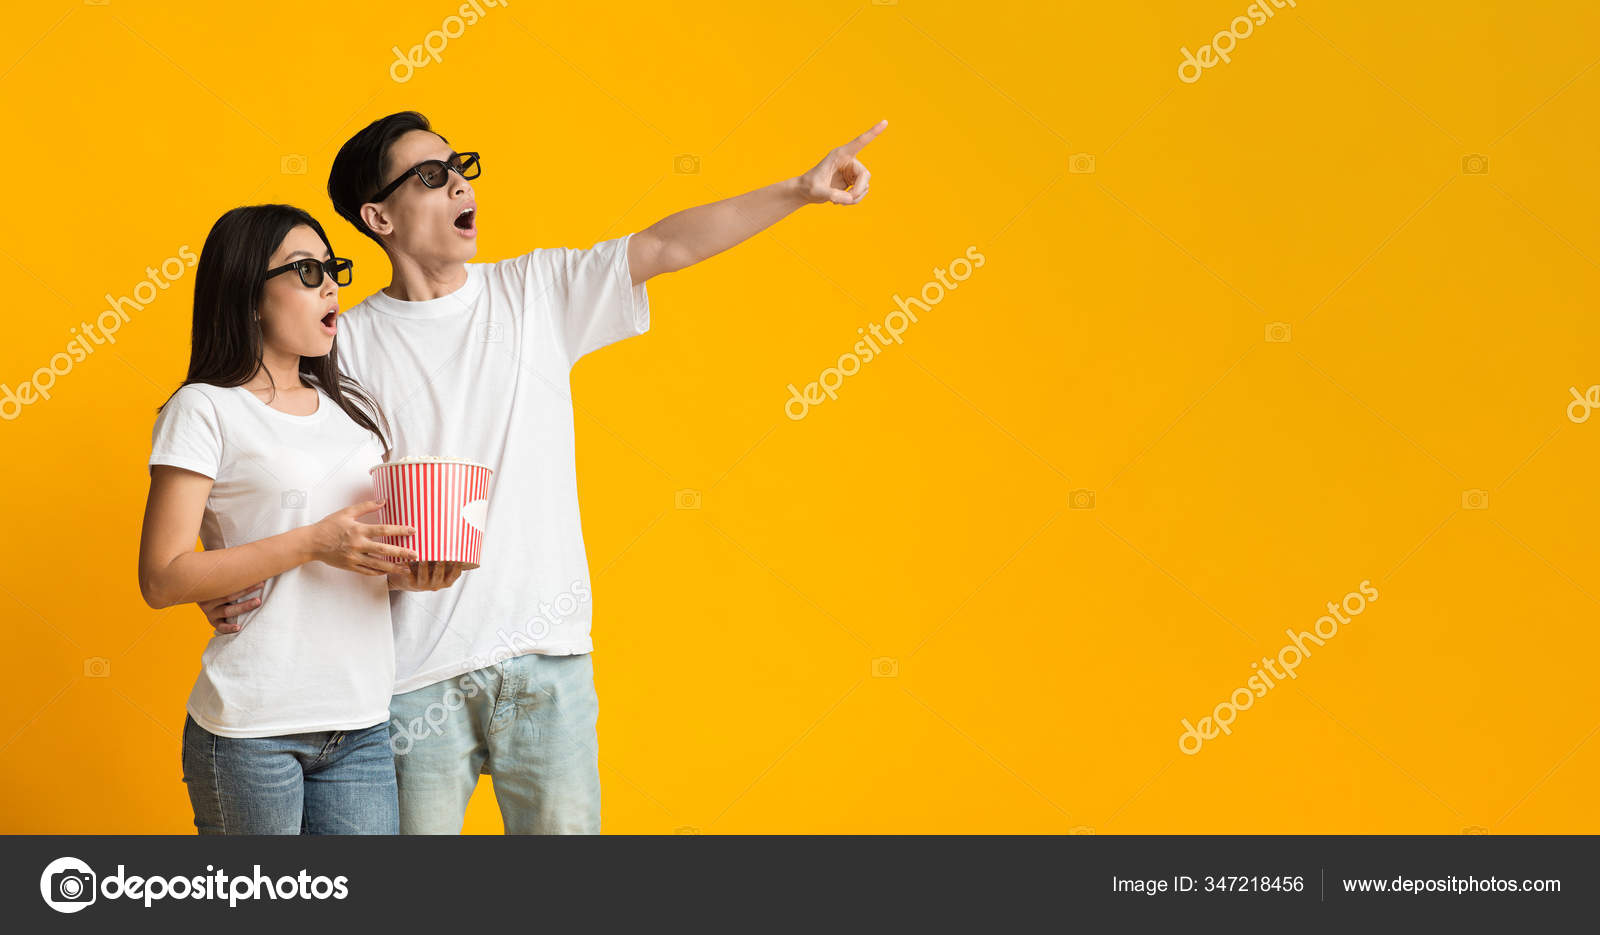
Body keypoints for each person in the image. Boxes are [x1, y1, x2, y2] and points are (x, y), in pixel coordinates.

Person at [199, 111, 885, 834]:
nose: (459, 181)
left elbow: (666, 243)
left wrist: (799, 190)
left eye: (459, 165)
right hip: (408, 675)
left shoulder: (535, 291)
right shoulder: (345, 342)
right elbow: (257, 446)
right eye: (431, 176)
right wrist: (218, 568)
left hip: (549, 661)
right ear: (379, 216)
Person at [139, 204, 462, 834]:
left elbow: (355, 558)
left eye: (332, 268)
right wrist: (313, 543)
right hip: (252, 729)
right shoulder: (204, 409)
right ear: (248, 294)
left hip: (362, 723)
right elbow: (164, 578)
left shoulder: (354, 415)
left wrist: (411, 570)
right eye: (306, 271)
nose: (332, 284)